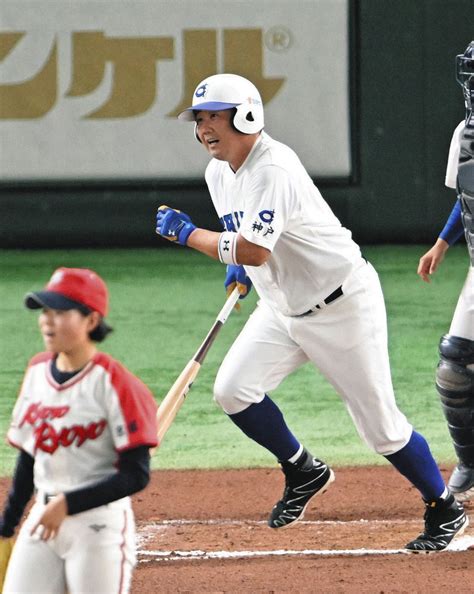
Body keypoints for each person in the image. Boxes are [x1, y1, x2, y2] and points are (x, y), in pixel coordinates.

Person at [156, 73, 468, 552]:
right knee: (233, 390)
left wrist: (188, 235)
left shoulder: (273, 168)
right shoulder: (217, 173)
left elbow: (255, 249)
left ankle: (444, 507)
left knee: (381, 429)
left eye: (214, 116)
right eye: (199, 120)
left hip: (341, 306)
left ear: (246, 116)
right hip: (282, 308)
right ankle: (303, 469)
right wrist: (236, 266)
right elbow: (242, 239)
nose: (204, 129)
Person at [0, 267, 158, 593]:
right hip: (43, 518)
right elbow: (30, 456)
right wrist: (7, 525)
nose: (48, 321)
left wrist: (68, 503)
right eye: (45, 311)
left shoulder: (116, 384)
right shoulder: (37, 372)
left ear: (91, 320)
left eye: (60, 312)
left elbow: (136, 474)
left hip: (99, 526)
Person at [417, 41, 474, 502]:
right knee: (455, 367)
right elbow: (466, 196)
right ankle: (471, 462)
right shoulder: (465, 133)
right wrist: (442, 242)